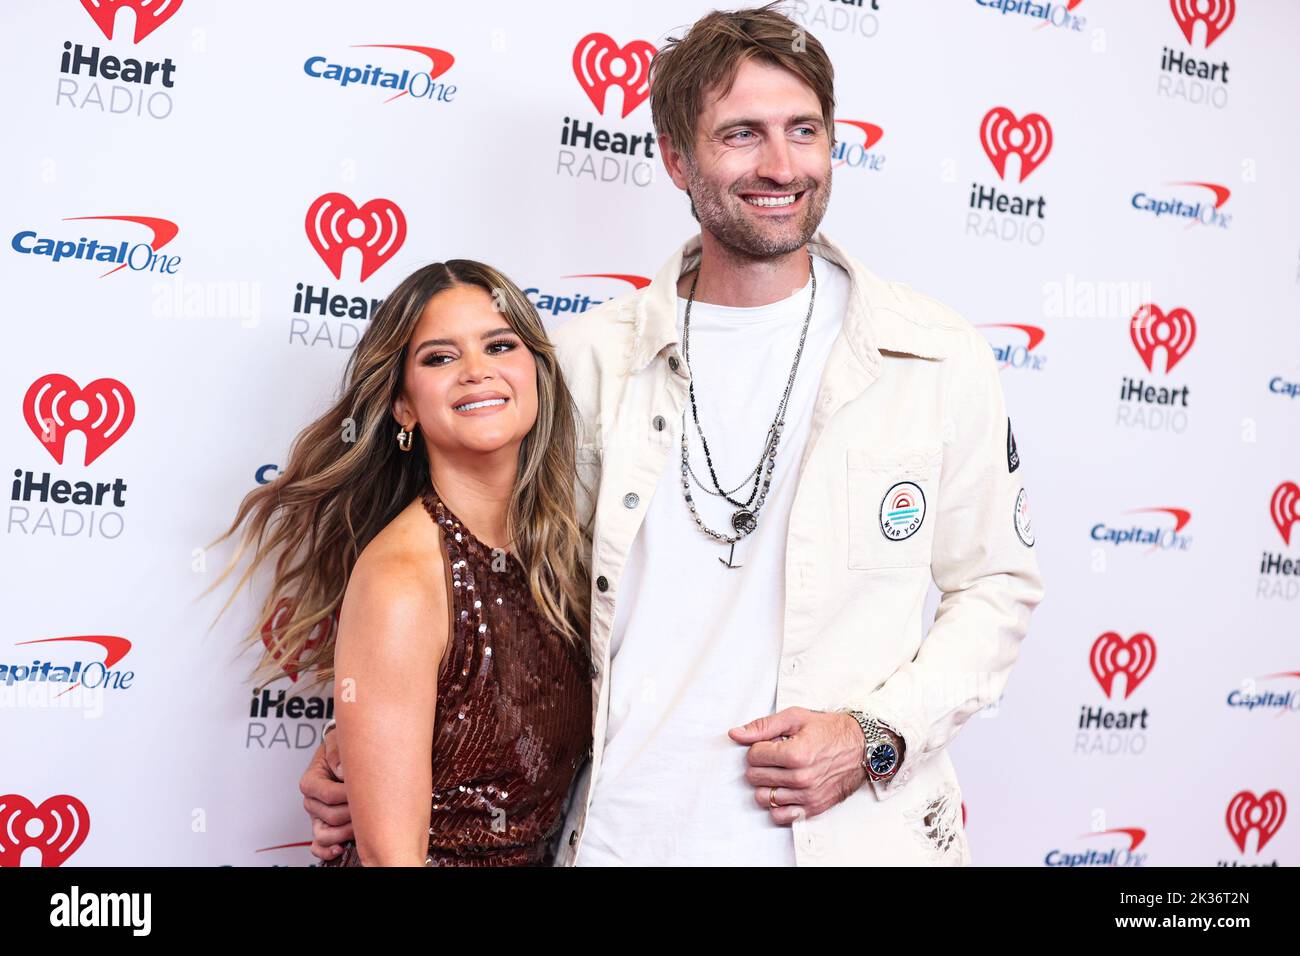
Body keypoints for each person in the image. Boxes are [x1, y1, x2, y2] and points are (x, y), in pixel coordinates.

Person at [303, 1, 1045, 866]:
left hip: (854, 843)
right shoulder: (581, 364)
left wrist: (874, 734)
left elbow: (997, 587)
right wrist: (376, 729)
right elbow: (489, 571)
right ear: (676, 159)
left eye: (803, 129)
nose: (780, 164)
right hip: (626, 838)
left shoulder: (933, 356)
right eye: (741, 135)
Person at [204, 260, 593, 865]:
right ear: (404, 408)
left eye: (499, 344)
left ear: (537, 372)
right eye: (440, 358)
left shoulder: (564, 553)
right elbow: (392, 857)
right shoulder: (403, 577)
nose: (477, 371)